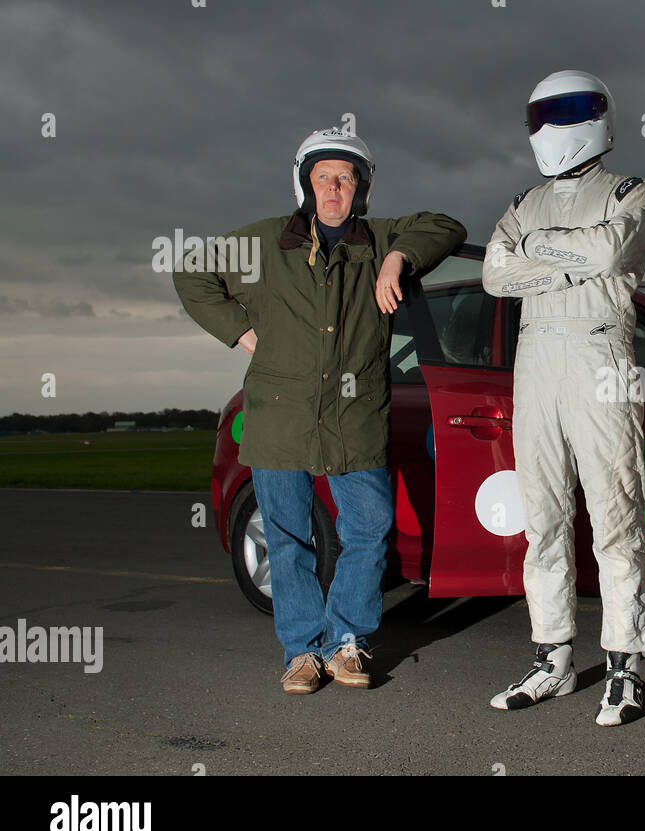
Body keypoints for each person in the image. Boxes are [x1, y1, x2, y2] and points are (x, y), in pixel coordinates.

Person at [176, 127, 466, 694]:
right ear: (304, 182)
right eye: (324, 176)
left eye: (346, 177)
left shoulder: (381, 239)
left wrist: (398, 259)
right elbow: (192, 273)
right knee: (287, 538)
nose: (334, 188)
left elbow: (447, 227)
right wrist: (240, 331)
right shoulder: (262, 245)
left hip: (354, 417)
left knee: (370, 528)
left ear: (361, 187)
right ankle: (302, 652)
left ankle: (346, 641)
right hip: (279, 416)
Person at [481, 70, 645, 726]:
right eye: (546, 112)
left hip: (600, 364)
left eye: (571, 109)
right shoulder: (525, 201)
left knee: (616, 518)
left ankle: (624, 664)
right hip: (535, 370)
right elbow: (493, 274)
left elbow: (614, 248)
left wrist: (533, 253)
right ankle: (552, 658)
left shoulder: (635, 192)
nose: (557, 124)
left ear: (602, 117)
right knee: (545, 524)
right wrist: (568, 257)